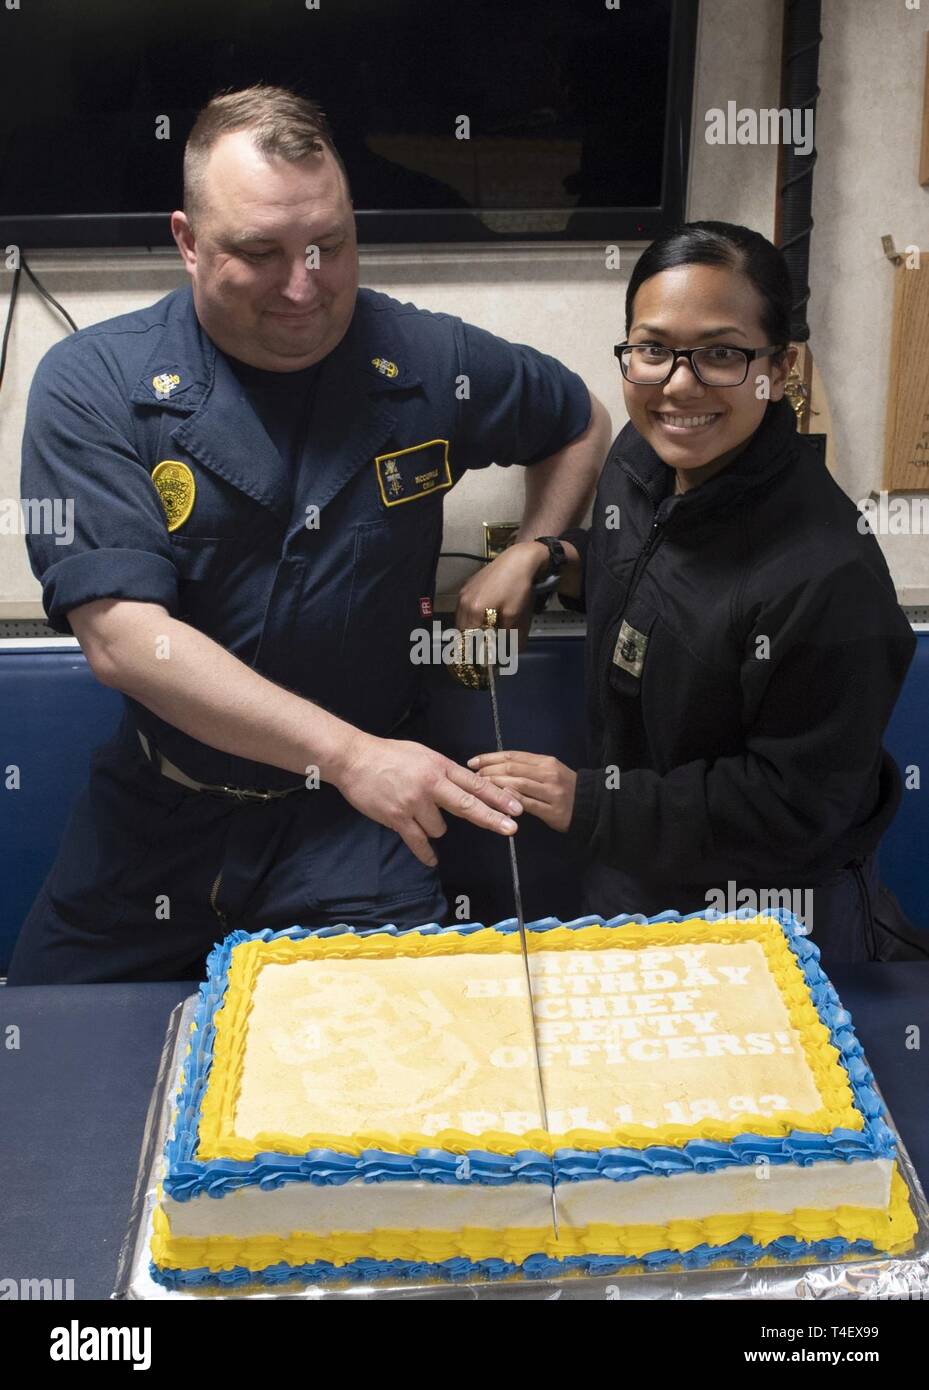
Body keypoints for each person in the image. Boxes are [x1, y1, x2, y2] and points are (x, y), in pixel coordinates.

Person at [8, 85, 611, 985]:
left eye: (330, 245)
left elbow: (579, 422)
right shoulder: (93, 383)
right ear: (186, 241)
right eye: (262, 253)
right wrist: (352, 756)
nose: (306, 285)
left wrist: (534, 550)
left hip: (356, 840)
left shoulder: (425, 360)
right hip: (157, 830)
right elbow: (127, 641)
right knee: (47, 1073)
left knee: (404, 1094)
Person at [469, 221, 917, 966]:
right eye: (652, 350)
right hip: (630, 866)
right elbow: (648, 579)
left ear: (782, 366)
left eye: (720, 354)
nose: (677, 385)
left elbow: (794, 807)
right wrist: (546, 556)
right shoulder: (641, 459)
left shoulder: (827, 577)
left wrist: (588, 802)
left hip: (770, 914)